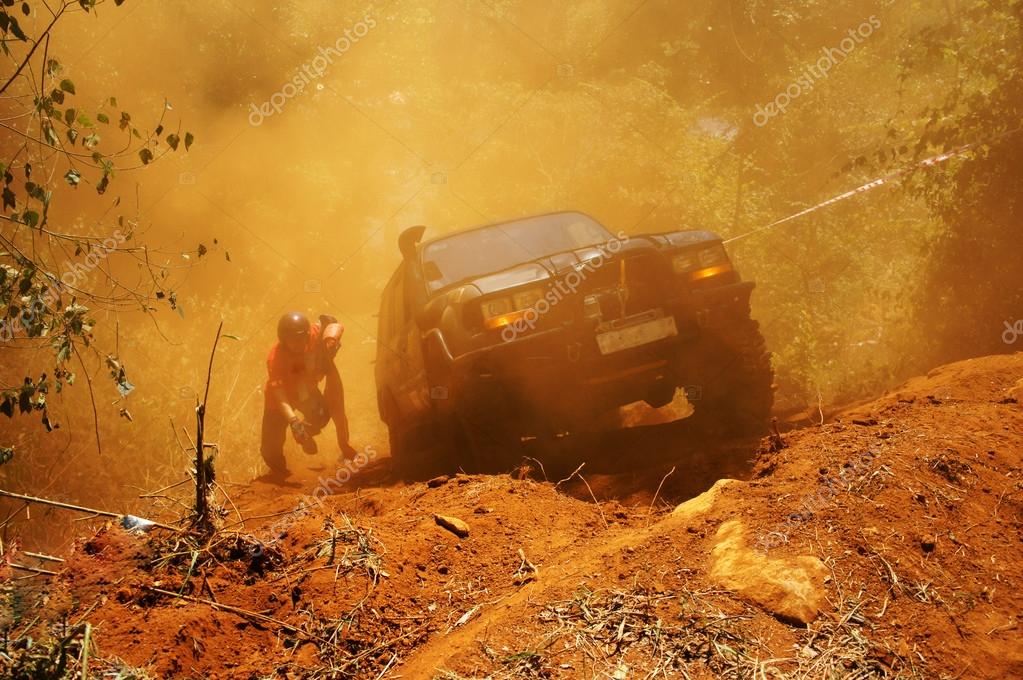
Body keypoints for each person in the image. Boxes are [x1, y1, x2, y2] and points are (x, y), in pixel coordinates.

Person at [260, 311, 358, 480]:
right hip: (278, 400)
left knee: (322, 415)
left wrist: (331, 339)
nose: (299, 344)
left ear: (307, 334)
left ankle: (303, 433)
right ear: (284, 339)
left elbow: (330, 321)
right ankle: (279, 475)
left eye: (301, 338)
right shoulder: (275, 358)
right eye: (293, 340)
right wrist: (293, 421)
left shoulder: (312, 333)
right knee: (270, 449)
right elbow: (280, 395)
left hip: (304, 392)